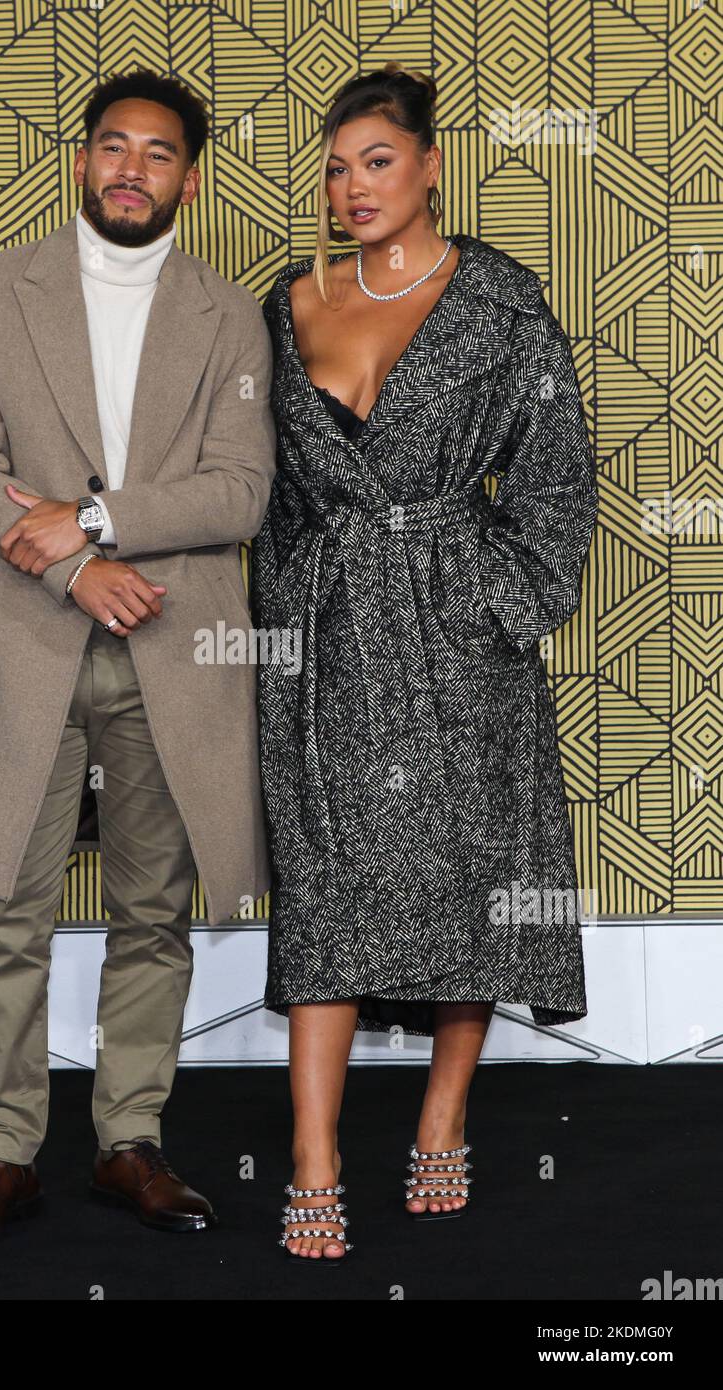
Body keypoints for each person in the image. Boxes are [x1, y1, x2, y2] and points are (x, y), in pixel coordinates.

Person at [0, 68, 276, 1248]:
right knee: (2, 909)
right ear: (81, 160)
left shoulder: (228, 315)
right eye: (112, 146)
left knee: (151, 911)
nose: (132, 168)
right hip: (27, 639)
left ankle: (131, 1140)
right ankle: (3, 1152)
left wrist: (97, 520)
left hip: (173, 642)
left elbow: (241, 489)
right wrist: (76, 567)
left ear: (190, 175)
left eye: (158, 152)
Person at [250, 63, 598, 1261]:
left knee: (468, 872)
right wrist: (285, 616)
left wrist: (496, 600)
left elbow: (555, 474)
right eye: (337, 167)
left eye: (378, 161)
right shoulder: (286, 303)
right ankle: (313, 1153)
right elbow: (271, 494)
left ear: (432, 166)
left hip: (463, 638)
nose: (352, 186)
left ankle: (443, 1116)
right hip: (330, 641)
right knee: (330, 886)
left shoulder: (500, 300)